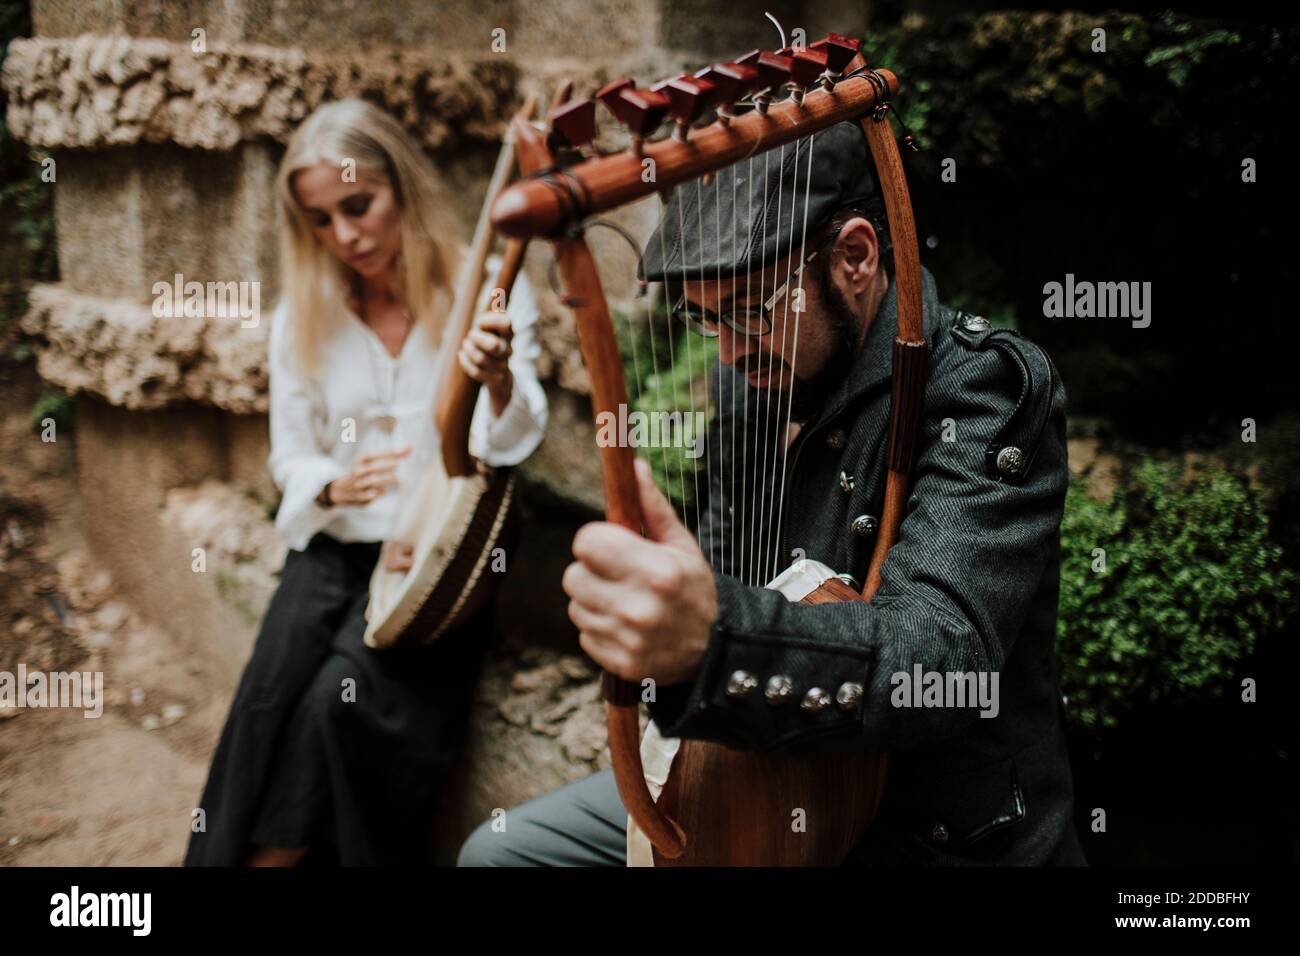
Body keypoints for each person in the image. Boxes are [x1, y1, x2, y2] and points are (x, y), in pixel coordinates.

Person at [459, 120, 1084, 866]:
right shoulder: (749, 379)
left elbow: (937, 660)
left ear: (856, 256)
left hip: (918, 825)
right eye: (703, 316)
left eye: (752, 309)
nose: (725, 349)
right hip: (766, 765)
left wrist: (716, 635)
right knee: (501, 854)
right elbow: (724, 566)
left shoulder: (984, 390)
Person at [186, 99, 547, 866]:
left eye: (358, 205)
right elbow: (290, 456)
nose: (344, 235)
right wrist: (329, 486)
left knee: (336, 707)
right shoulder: (302, 317)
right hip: (336, 548)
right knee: (265, 700)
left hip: (436, 564)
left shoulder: (486, 287)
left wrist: (500, 379)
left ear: (402, 188)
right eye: (320, 219)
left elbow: (509, 444)